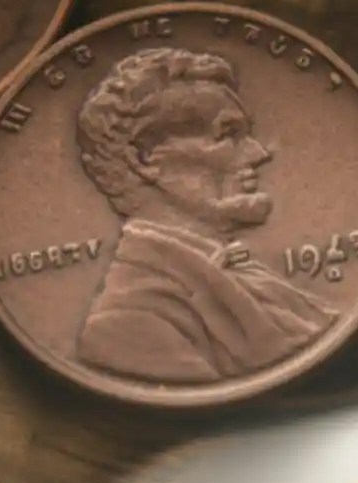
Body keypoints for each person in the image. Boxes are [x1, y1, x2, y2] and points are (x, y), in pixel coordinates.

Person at [73, 47, 338, 384]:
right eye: (228, 134)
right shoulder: (130, 320)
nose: (258, 153)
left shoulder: (247, 275)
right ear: (145, 158)